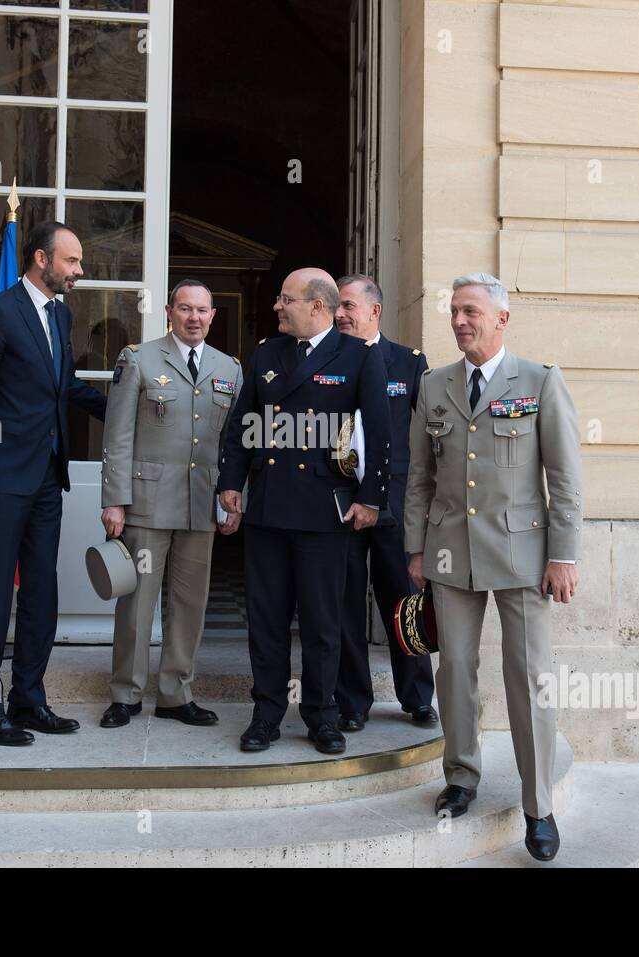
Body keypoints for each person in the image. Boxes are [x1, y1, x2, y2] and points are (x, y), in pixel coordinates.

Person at [403, 272, 583, 862]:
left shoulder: (539, 380)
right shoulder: (434, 385)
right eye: (454, 311)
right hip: (450, 553)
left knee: (528, 678)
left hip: (523, 557)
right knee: (453, 669)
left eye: (471, 311)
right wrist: (416, 549)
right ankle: (461, 777)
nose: (459, 321)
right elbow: (420, 478)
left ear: (502, 318)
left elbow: (564, 479)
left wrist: (563, 555)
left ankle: (539, 806)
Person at [217, 268, 391, 755]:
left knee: (322, 622)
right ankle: (266, 714)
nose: (277, 306)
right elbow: (243, 423)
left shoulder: (357, 356)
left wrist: (371, 498)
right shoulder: (268, 353)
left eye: (286, 299)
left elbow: (379, 435)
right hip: (270, 508)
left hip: (322, 513)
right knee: (266, 620)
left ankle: (321, 715)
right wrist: (230, 481)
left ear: (318, 307)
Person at [0, 221, 107, 746]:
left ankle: (28, 697)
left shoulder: (61, 314)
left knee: (43, 590)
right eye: (72, 261)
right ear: (41, 260)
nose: (79, 271)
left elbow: (62, 386)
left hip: (48, 476)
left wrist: (122, 412)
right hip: (0, 479)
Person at [98, 279, 243, 729]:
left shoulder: (230, 368)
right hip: (147, 502)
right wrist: (115, 500)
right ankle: (126, 693)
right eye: (185, 309)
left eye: (202, 310)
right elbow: (117, 435)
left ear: (213, 315)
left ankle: (176, 693)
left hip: (201, 504)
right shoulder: (138, 359)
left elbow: (235, 443)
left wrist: (235, 498)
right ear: (168, 311)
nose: (194, 317)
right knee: (137, 602)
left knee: (189, 602)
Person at [330, 274, 437, 731]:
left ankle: (416, 697)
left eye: (348, 306)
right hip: (340, 497)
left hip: (394, 498)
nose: (339, 314)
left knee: (403, 598)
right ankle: (353, 702)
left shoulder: (408, 363)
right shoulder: (327, 358)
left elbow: (433, 435)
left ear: (373, 311)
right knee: (345, 601)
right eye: (336, 305)